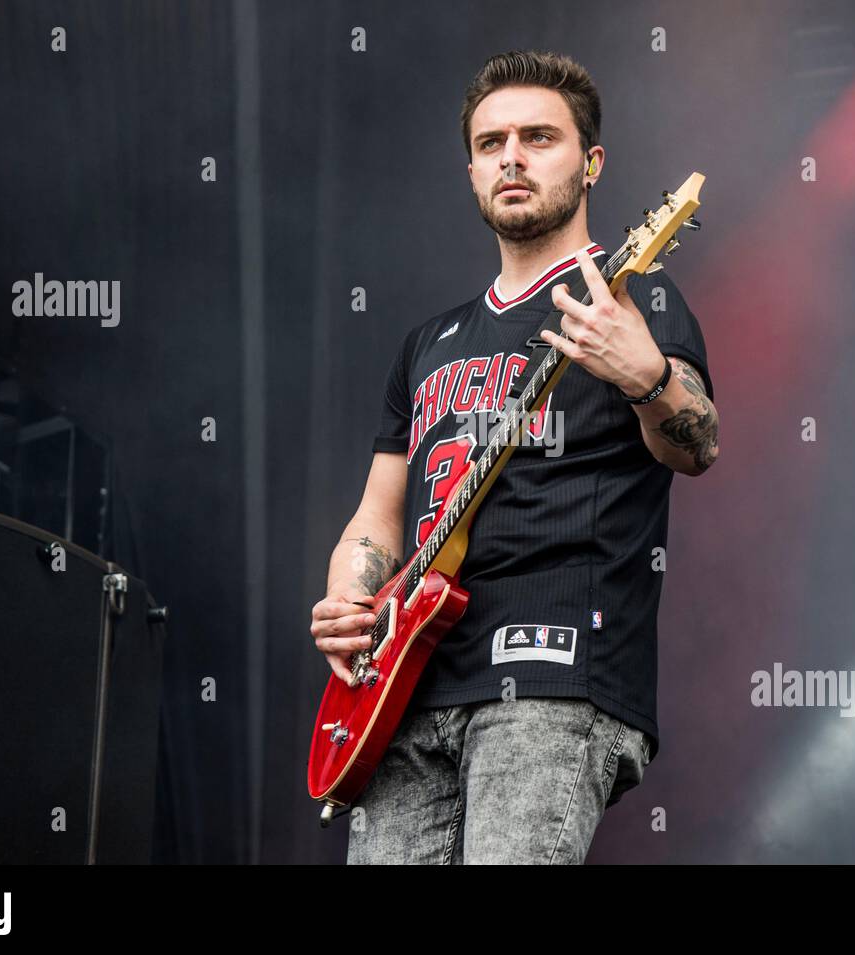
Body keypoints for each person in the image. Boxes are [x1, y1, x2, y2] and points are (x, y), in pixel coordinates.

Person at [308, 49, 719, 864]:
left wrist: (648, 379)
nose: (513, 158)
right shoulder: (428, 343)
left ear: (591, 163)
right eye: (492, 143)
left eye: (539, 137)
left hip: (552, 670)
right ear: (471, 169)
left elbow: (699, 444)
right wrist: (351, 603)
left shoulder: (633, 296)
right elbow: (378, 514)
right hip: (405, 682)